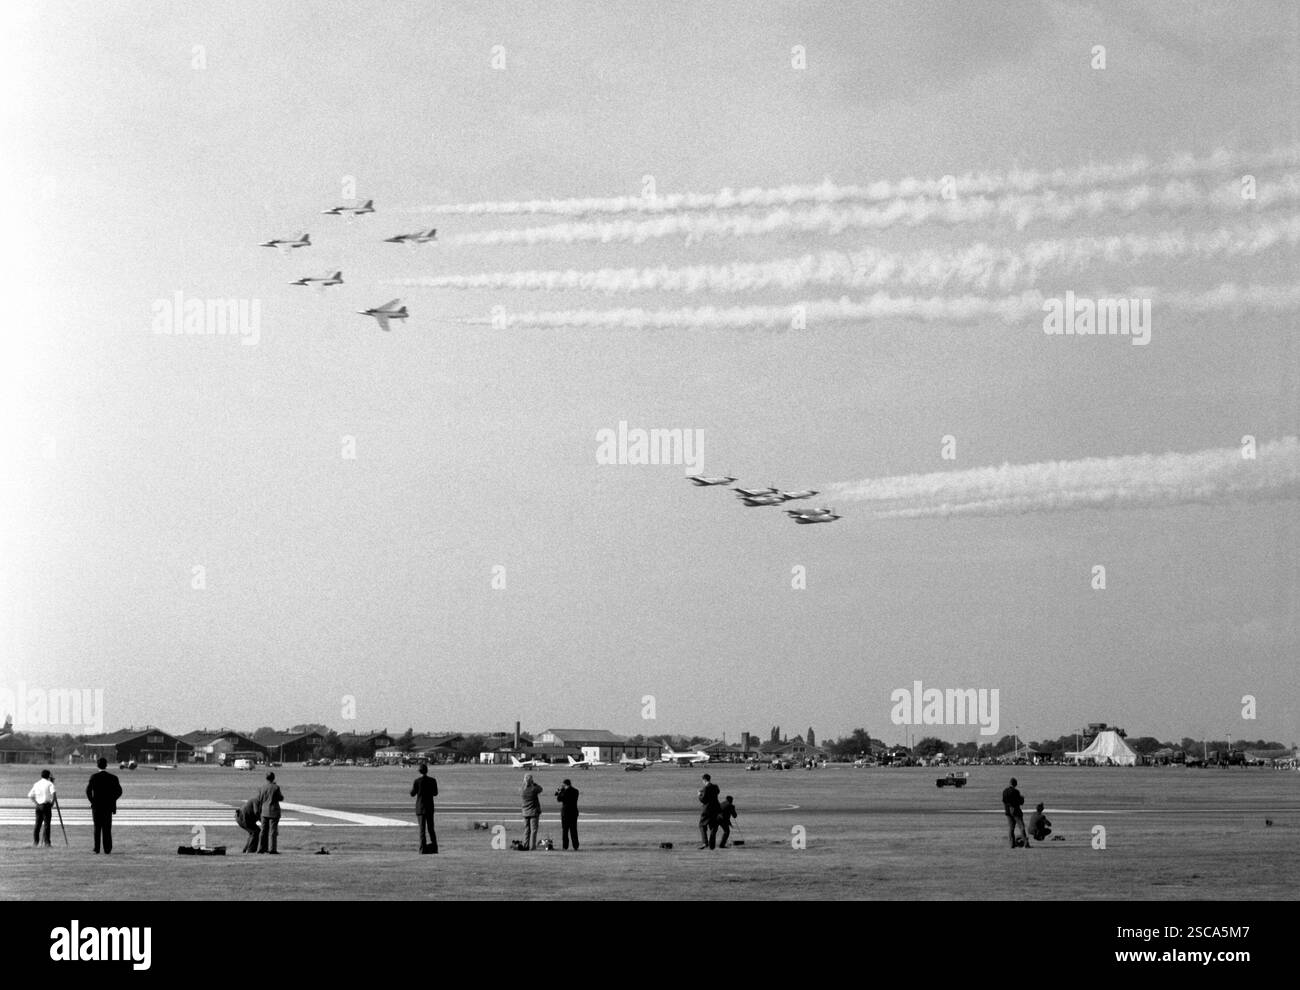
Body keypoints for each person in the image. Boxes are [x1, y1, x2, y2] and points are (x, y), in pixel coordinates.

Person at [85, 757, 123, 854]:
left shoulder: (94, 777)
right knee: (107, 828)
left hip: (97, 806)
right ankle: (107, 849)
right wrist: (112, 799)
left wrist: (92, 801)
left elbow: (88, 791)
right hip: (108, 806)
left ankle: (96, 849)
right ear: (106, 765)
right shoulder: (113, 777)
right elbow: (119, 791)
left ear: (97, 765)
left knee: (97, 828)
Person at [411, 763, 438, 854]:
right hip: (429, 807)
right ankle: (434, 847)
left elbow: (412, 793)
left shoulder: (417, 781)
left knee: (422, 830)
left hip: (420, 807)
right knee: (431, 828)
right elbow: (435, 793)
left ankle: (423, 849)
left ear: (419, 771)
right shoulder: (433, 780)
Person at [256, 771, 283, 854]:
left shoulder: (262, 787)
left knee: (263, 831)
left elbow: (259, 799)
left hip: (264, 811)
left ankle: (261, 848)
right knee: (273, 831)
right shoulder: (276, 787)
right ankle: (272, 849)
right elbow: (280, 798)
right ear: (273, 778)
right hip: (274, 811)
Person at [28, 769, 56, 847]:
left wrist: (36, 803)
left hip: (38, 806)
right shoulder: (50, 784)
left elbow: (30, 795)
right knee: (47, 825)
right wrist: (52, 803)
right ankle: (47, 843)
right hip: (46, 805)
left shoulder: (36, 784)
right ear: (48, 776)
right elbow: (54, 794)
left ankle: (35, 842)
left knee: (37, 825)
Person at [1001, 777, 1029, 849]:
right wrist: (1022, 798)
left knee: (1011, 828)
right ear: (1015, 784)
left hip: (1008, 812)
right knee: (1021, 827)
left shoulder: (1005, 791)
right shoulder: (1016, 792)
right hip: (1016, 811)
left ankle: (1012, 844)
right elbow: (1020, 802)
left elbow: (1004, 801)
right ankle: (1026, 843)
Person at [697, 773, 721, 849]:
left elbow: (704, 800)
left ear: (704, 780)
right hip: (715, 809)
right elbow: (717, 792)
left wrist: (699, 795)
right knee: (713, 827)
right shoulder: (715, 787)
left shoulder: (705, 788)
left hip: (707, 809)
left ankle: (705, 842)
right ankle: (712, 845)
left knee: (702, 825)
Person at [555, 778, 580, 851]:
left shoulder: (565, 792)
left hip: (565, 813)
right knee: (574, 830)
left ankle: (565, 846)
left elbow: (559, 799)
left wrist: (560, 792)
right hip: (574, 812)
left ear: (565, 785)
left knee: (565, 830)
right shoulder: (576, 791)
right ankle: (576, 846)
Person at [520, 773, 543, 851]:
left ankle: (526, 845)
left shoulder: (522, 789)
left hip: (525, 812)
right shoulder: (533, 789)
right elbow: (540, 789)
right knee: (534, 830)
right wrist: (534, 783)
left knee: (526, 830)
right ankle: (532, 846)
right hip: (533, 812)